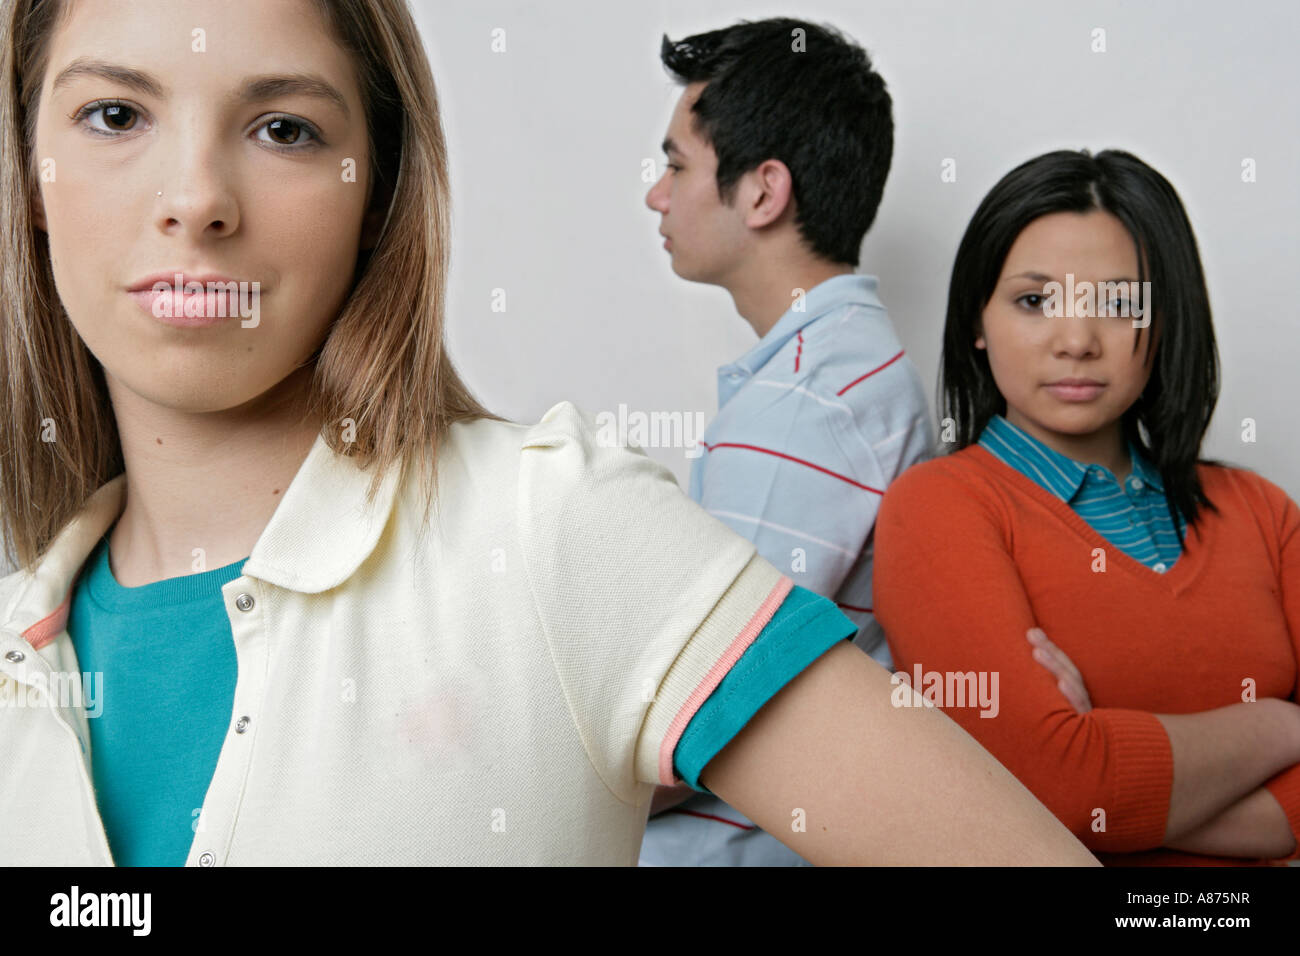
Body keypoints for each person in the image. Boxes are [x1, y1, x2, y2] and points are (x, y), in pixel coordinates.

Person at [0, 0, 1097, 866]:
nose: (196, 198)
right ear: (29, 171)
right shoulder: (20, 641)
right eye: (114, 114)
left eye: (285, 128)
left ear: (377, 190)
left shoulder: (554, 526)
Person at [873, 147, 1300, 866]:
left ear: (1164, 322)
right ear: (977, 322)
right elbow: (1055, 788)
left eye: (1117, 303)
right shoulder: (937, 509)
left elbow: (1064, 794)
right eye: (1034, 301)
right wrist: (1280, 728)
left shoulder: (1261, 512)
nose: (1076, 341)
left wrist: (1104, 760)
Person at [638, 17, 932, 867]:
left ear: (764, 193)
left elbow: (707, 702)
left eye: (676, 164)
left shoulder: (808, 398)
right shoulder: (828, 372)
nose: (658, 194)